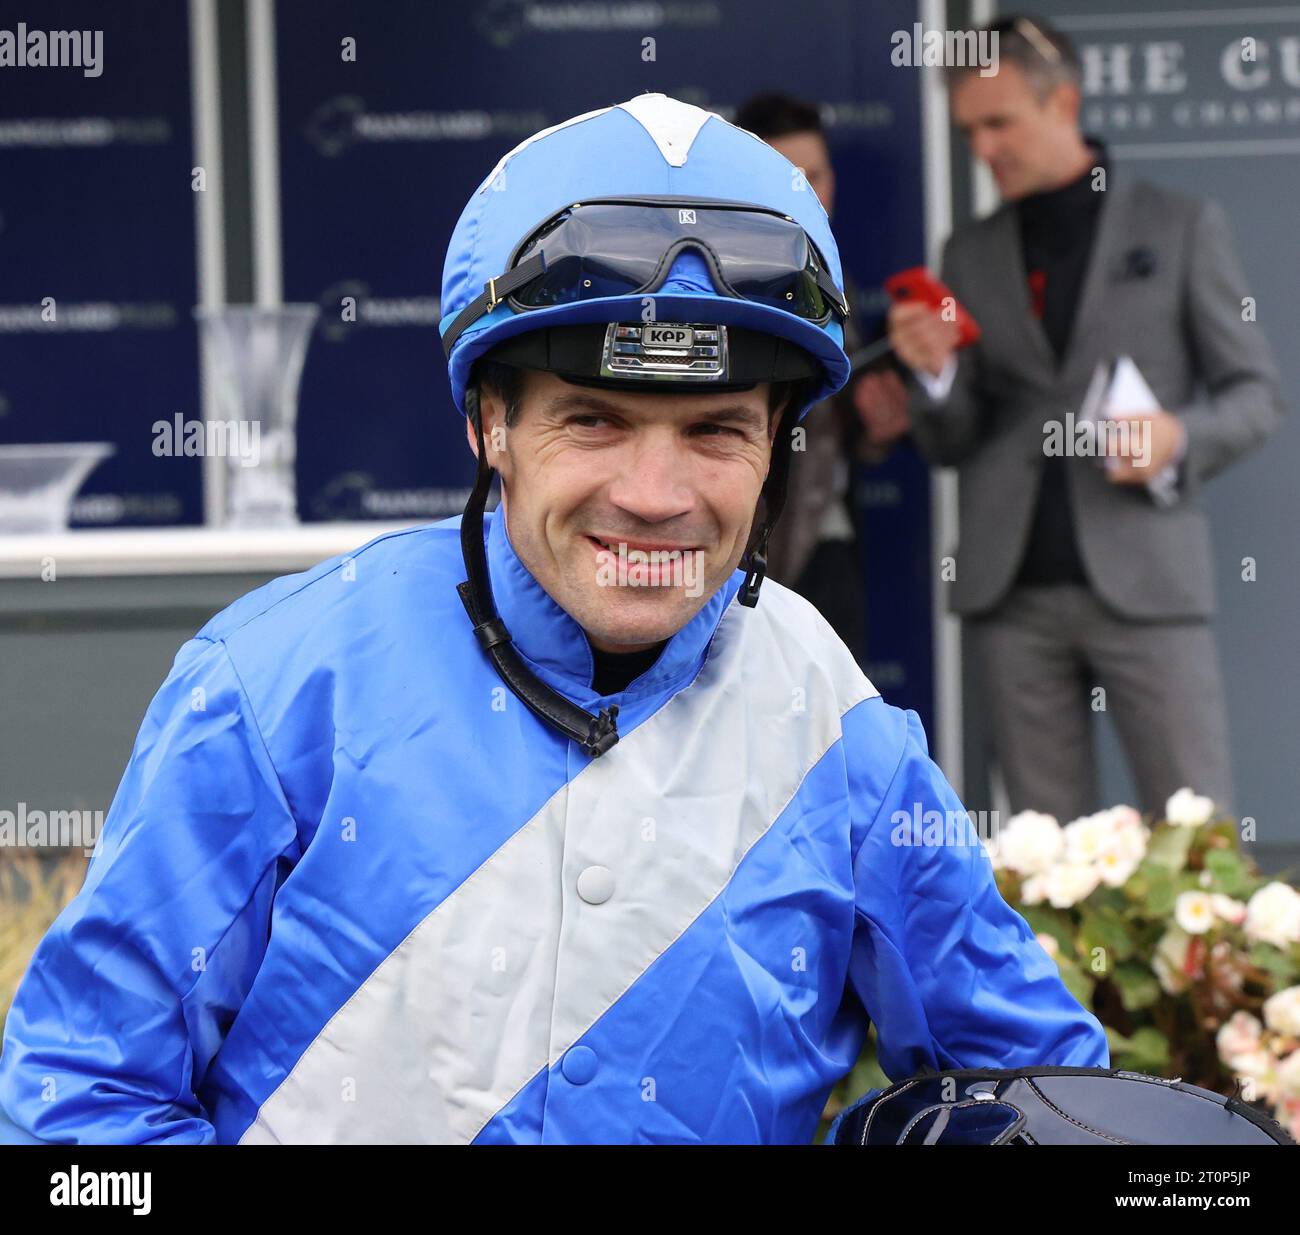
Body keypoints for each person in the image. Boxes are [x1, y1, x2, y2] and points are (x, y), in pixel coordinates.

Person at [0, 92, 1106, 1146]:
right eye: (594, 421)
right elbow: (79, 1103)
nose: (655, 494)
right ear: (488, 422)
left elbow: (1050, 1094)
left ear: (776, 443)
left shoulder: (837, 723)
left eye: (716, 430)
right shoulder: (272, 680)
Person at [889, 16, 1284, 826]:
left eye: (999, 123)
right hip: (1011, 592)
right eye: (969, 132)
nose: (984, 148)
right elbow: (952, 437)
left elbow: (1257, 394)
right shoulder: (968, 251)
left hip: (1148, 580)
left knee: (1196, 832)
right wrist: (934, 375)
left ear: (1062, 103)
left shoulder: (1180, 225)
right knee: (1046, 850)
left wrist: (1177, 438)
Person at [733, 92, 911, 665]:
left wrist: (878, 424)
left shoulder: (838, 281)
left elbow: (846, 430)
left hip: (827, 551)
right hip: (733, 556)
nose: (808, 194)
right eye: (790, 178)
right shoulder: (710, 285)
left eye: (817, 175)